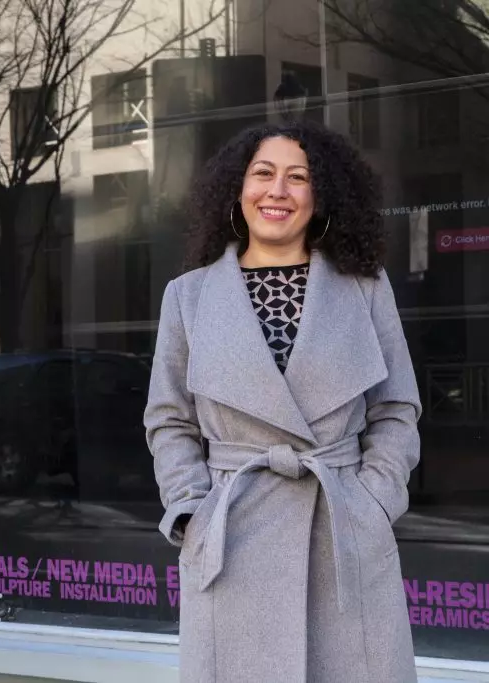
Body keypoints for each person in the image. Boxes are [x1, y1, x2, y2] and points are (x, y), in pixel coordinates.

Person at [143, 119, 420, 683]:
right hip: (231, 535)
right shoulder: (188, 297)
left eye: (299, 177)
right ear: (236, 189)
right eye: (263, 173)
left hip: (343, 532)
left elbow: (397, 408)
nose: (278, 191)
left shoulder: (365, 286)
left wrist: (375, 499)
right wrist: (193, 509)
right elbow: (169, 421)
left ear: (321, 195)